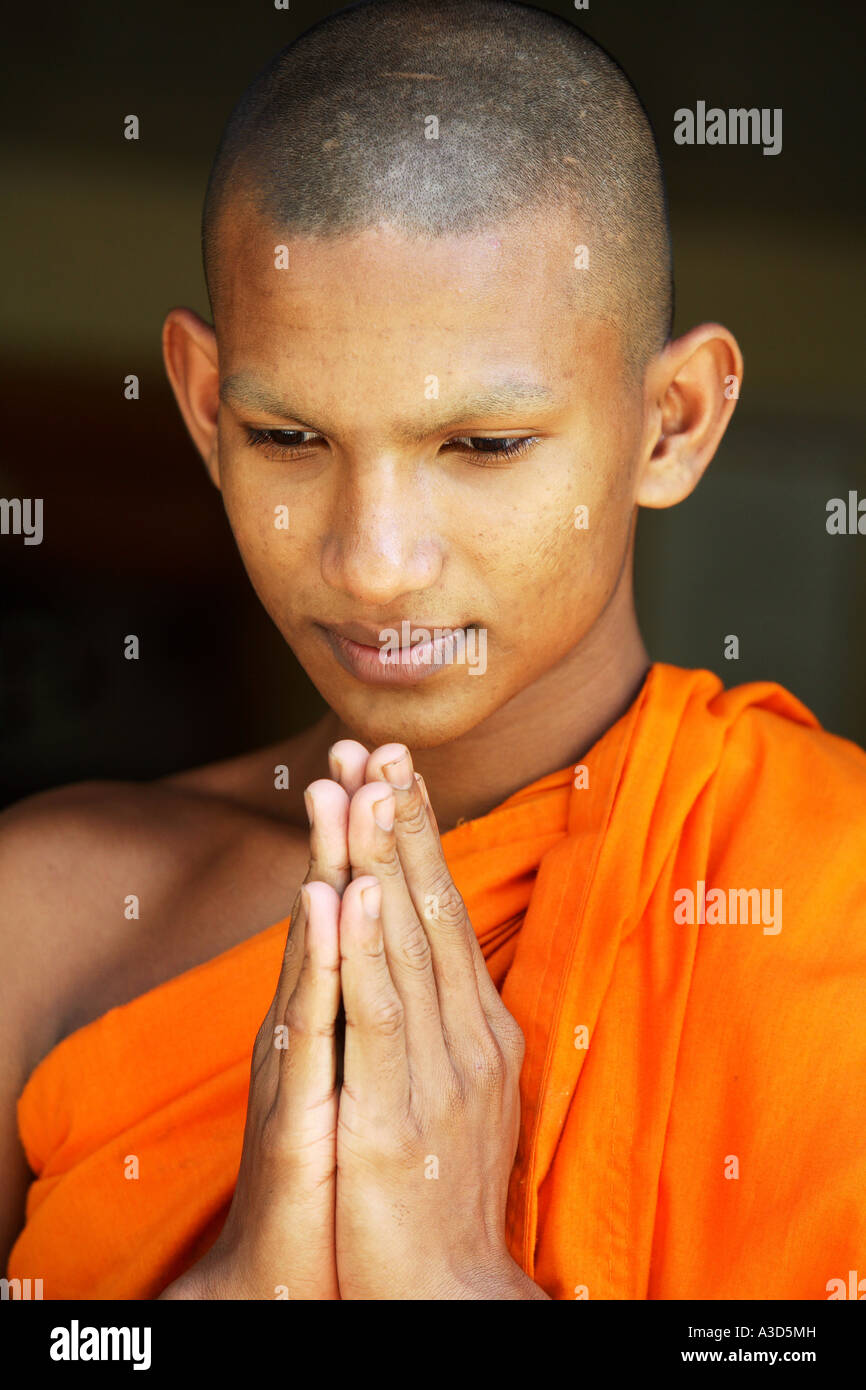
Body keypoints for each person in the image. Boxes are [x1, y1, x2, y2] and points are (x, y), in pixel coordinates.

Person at [3, 0, 865, 1301]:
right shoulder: (48, 921)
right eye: (289, 438)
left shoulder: (830, 890)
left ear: (670, 423)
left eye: (480, 446)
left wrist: (460, 1282)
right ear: (199, 404)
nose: (374, 558)